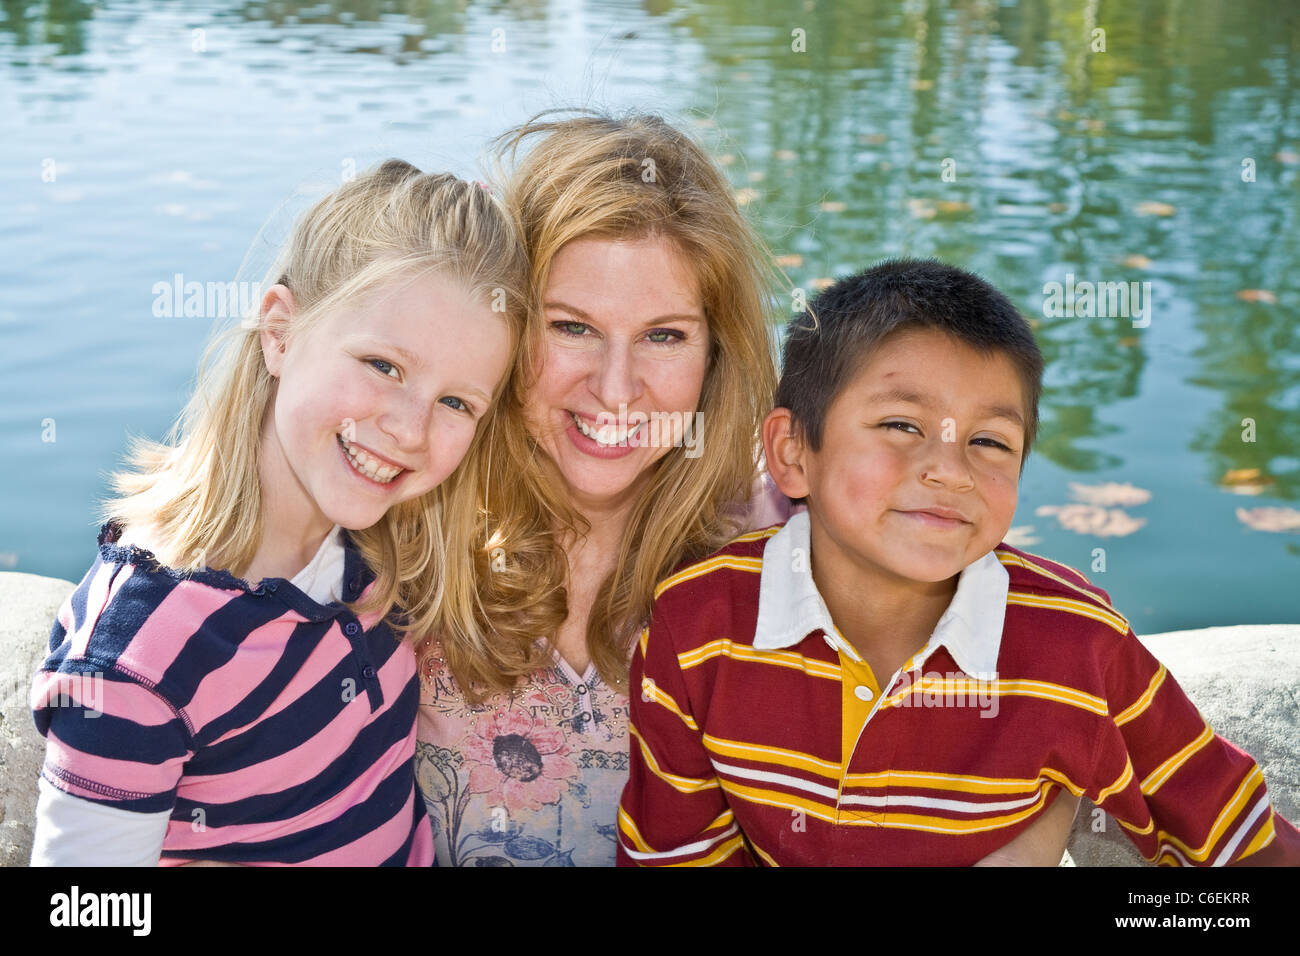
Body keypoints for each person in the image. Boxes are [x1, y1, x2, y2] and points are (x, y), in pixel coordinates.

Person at [416, 113, 1076, 866]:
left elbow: (1038, 677)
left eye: (665, 336)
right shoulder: (420, 514)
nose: (616, 387)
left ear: (715, 353)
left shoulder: (789, 532)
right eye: (572, 327)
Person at [617, 258, 1300, 866]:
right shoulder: (696, 626)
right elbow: (676, 853)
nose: (950, 470)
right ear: (794, 451)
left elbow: (1244, 843)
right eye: (901, 426)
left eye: (990, 441)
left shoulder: (1080, 650)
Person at [29, 160, 528, 866]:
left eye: (457, 403)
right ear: (280, 333)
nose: (411, 430)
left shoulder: (380, 555)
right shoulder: (139, 659)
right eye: (383, 365)